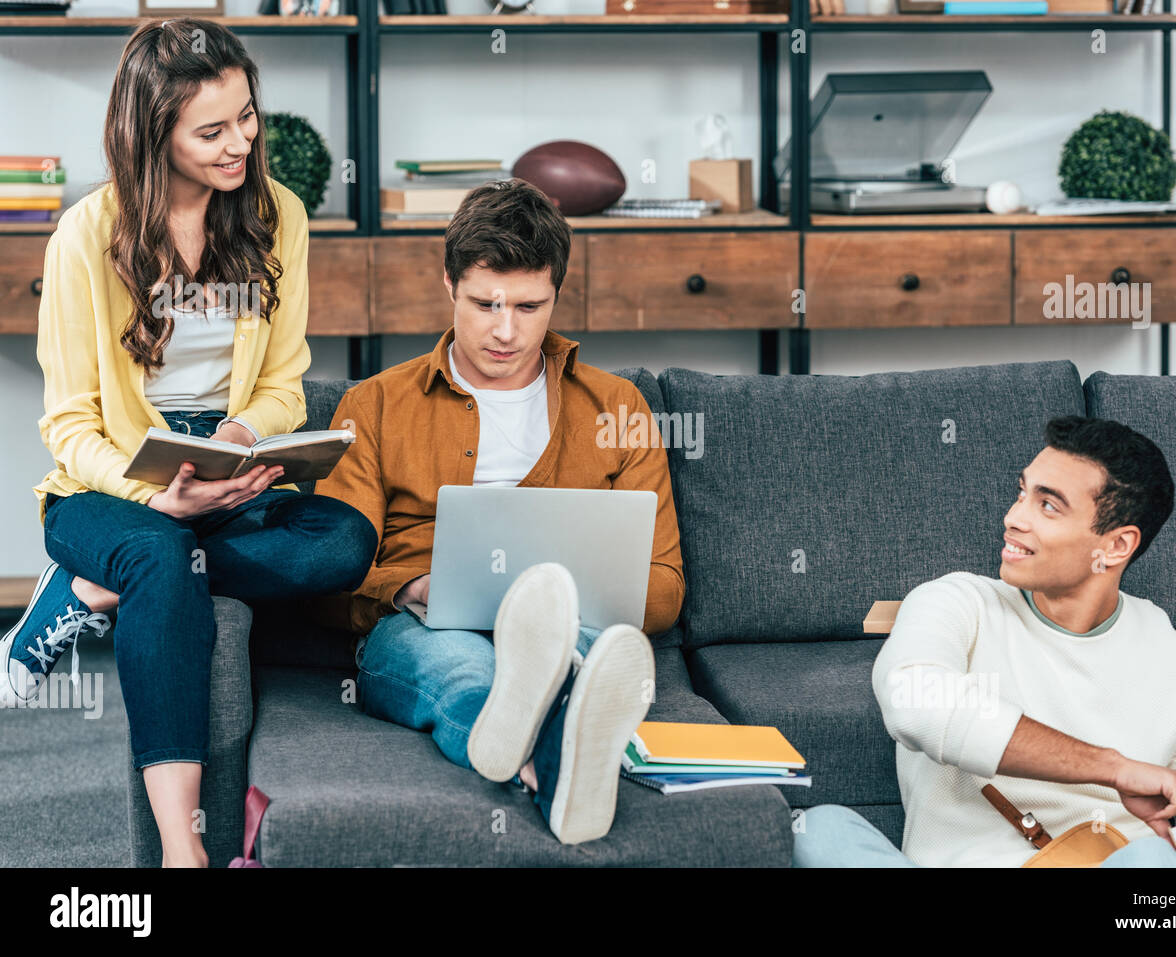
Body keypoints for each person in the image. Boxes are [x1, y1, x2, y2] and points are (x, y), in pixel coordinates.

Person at [1, 19, 377, 867]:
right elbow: (69, 426)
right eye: (211, 131)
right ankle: (183, 846)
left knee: (345, 539)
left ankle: (97, 589)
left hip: (226, 466)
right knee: (161, 553)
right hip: (108, 484)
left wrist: (243, 436)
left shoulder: (276, 215)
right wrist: (154, 495)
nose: (241, 141)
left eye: (247, 115)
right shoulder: (83, 238)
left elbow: (285, 379)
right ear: (152, 135)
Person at [314, 178, 684, 844]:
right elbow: (327, 573)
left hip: (576, 627)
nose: (506, 330)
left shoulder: (618, 409)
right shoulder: (373, 407)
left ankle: (539, 760)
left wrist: (566, 595)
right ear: (449, 283)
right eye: (486, 303)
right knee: (467, 670)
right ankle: (562, 748)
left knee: (589, 651)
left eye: (529, 305)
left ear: (556, 295)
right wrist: (409, 586)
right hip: (426, 626)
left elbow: (664, 585)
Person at [793, 416, 1176, 867]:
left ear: (1116, 546)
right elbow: (915, 704)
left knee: (1151, 860)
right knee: (819, 831)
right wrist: (1113, 769)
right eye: (1021, 493)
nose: (1013, 517)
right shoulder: (956, 603)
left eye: (1048, 505)